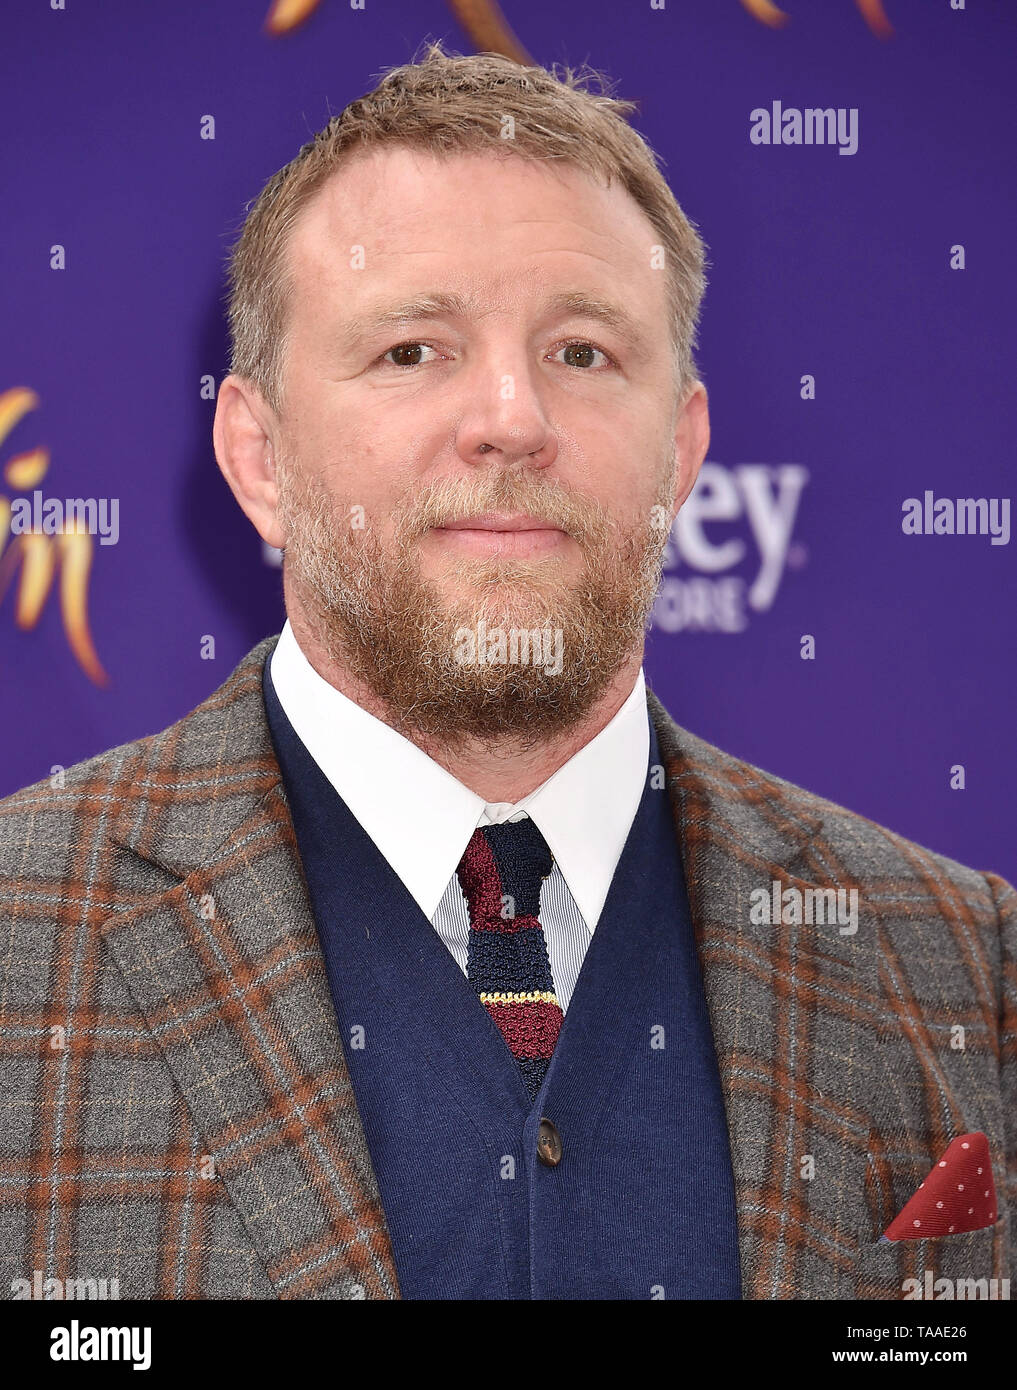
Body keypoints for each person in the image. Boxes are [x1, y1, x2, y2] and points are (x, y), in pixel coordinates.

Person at [0, 42, 1012, 1301]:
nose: (512, 419)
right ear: (259, 458)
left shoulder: (969, 960)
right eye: (412, 350)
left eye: (582, 352)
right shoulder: (14, 933)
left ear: (683, 452)